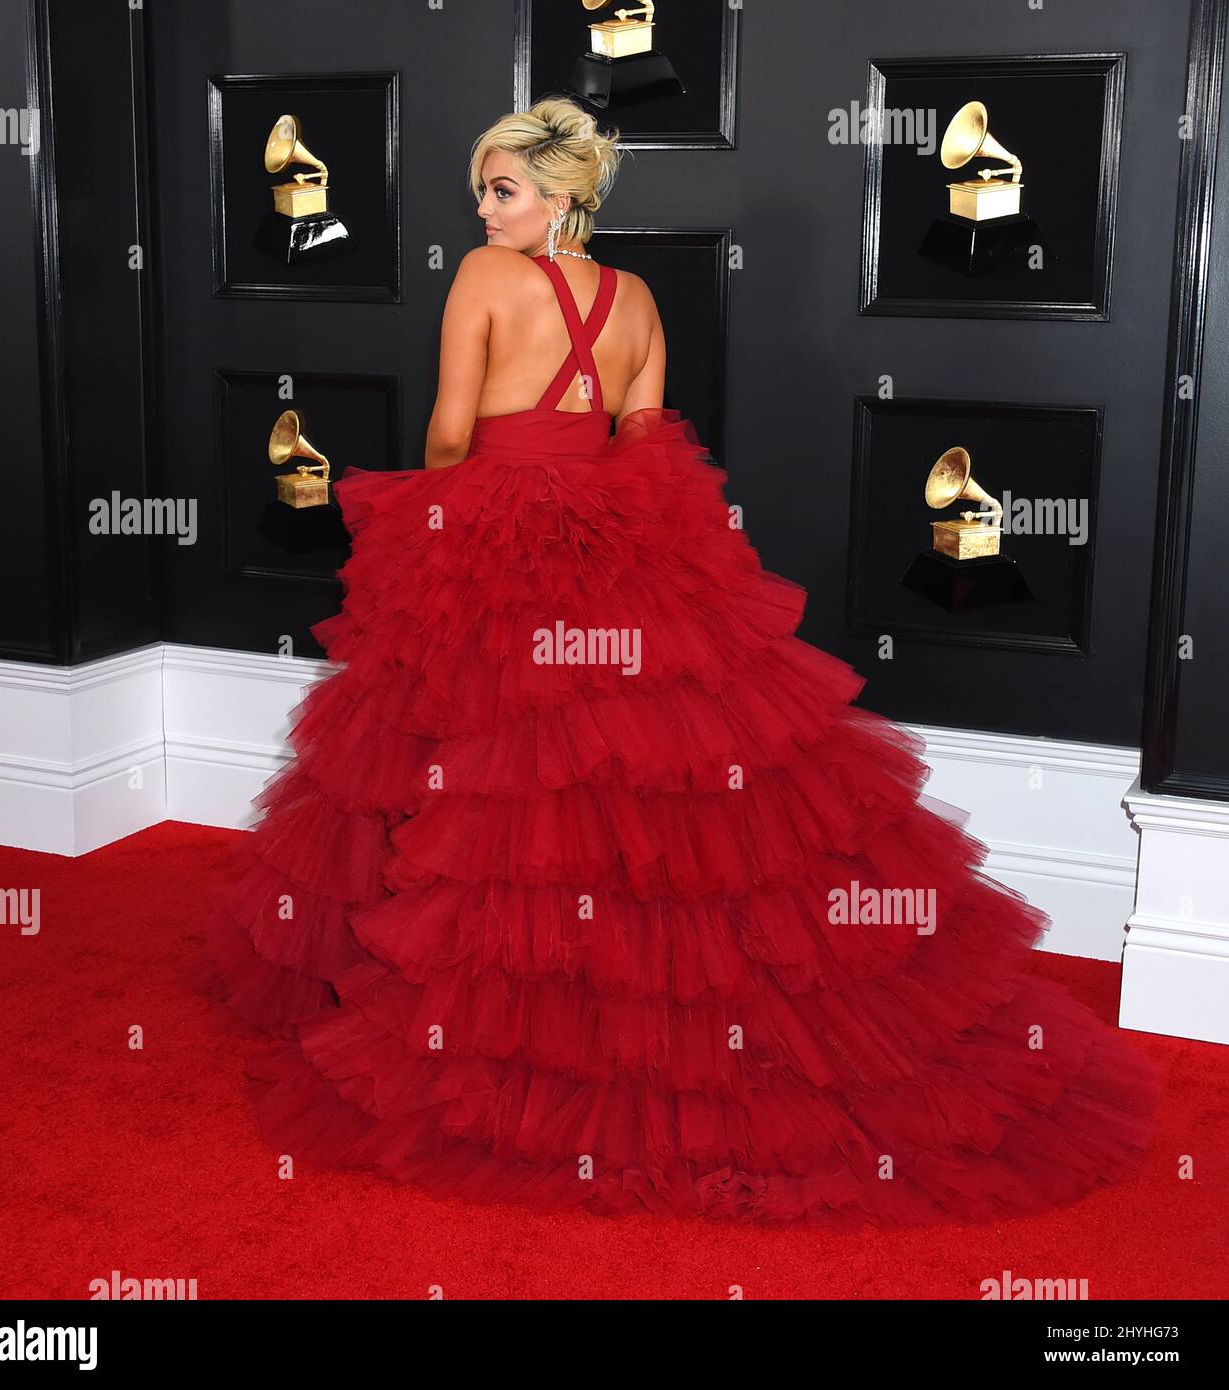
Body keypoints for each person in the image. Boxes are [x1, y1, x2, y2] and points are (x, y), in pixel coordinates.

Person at [196, 97, 1159, 1229]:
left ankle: (500, 1021)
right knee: (635, 784)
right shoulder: (638, 298)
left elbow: (451, 431)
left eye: (501, 189)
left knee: (481, 768)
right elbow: (645, 439)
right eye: (482, 191)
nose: (483, 208)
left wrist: (434, 517)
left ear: (559, 197)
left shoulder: (480, 280)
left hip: (495, 530)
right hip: (615, 540)